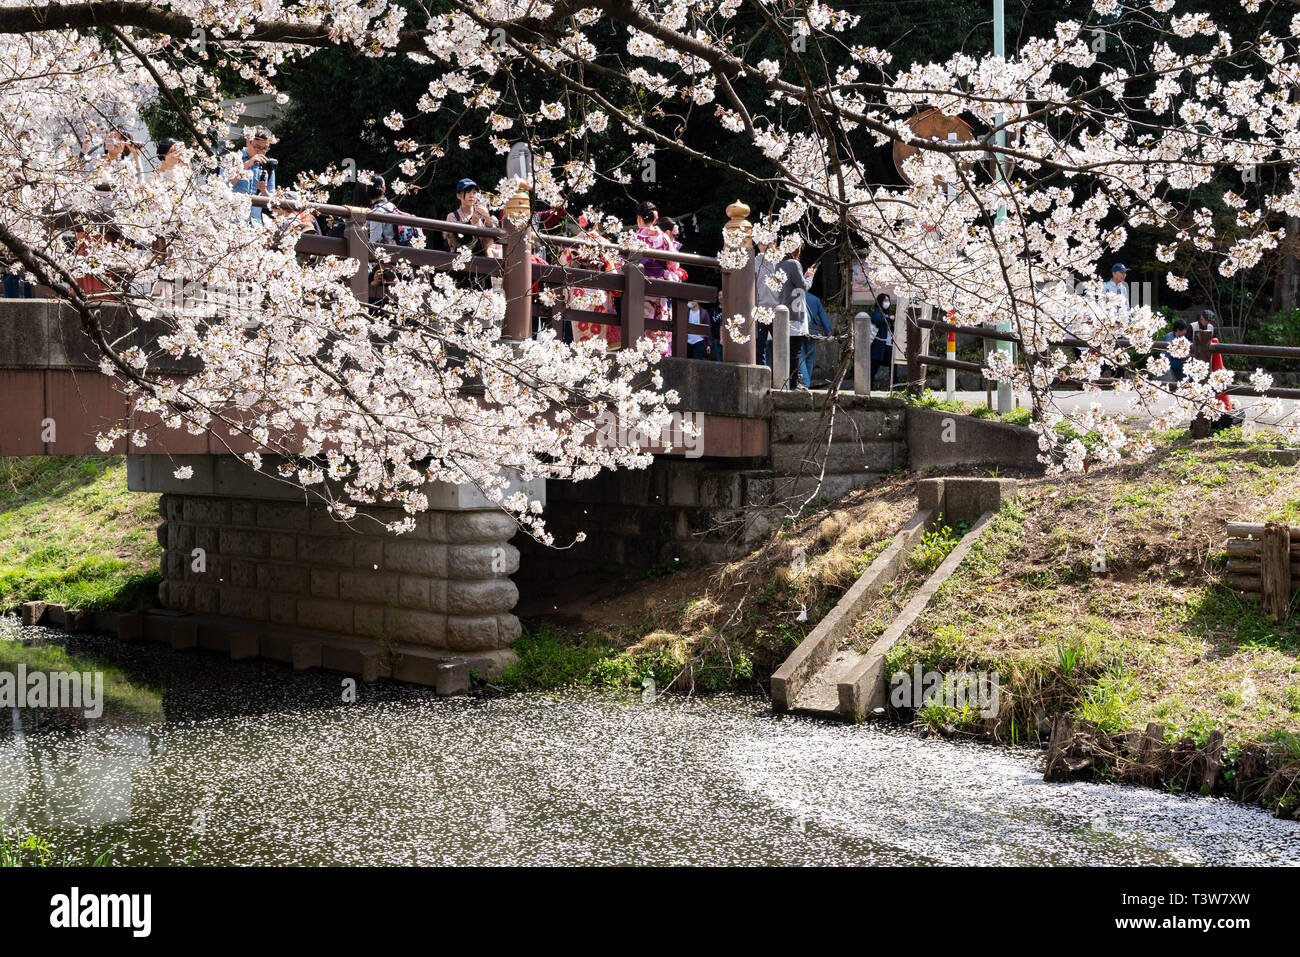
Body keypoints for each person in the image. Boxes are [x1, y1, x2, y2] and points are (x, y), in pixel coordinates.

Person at [634, 200, 674, 355]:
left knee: (639, 323)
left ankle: (638, 353)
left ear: (639, 219)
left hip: (638, 286)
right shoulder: (663, 238)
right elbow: (673, 264)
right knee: (659, 323)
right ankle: (660, 353)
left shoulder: (635, 237)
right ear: (655, 218)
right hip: (659, 287)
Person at [776, 241, 812, 389]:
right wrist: (809, 276)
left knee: (786, 352)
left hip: (784, 312)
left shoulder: (779, 264)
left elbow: (792, 285)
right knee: (795, 351)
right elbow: (803, 287)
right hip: (795, 314)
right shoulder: (794, 264)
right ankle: (792, 384)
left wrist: (802, 276)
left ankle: (786, 381)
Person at [226, 127, 276, 224]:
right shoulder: (232, 159)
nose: (260, 152)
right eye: (257, 147)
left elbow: (273, 201)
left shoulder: (267, 165)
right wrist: (247, 164)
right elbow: (224, 185)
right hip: (231, 222)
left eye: (265, 148)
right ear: (248, 142)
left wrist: (264, 190)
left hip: (256, 223)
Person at [444, 178, 498, 255]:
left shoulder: (481, 214)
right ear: (458, 195)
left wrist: (487, 217)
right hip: (461, 259)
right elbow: (456, 240)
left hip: (483, 259)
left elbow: (494, 237)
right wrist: (472, 222)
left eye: (474, 192)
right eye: (468, 192)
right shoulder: (453, 216)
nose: (472, 195)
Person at [754, 241, 780, 366]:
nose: (764, 246)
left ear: (774, 244)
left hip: (778, 310)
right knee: (759, 348)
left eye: (768, 243)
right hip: (760, 310)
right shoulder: (754, 262)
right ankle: (762, 378)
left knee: (781, 347)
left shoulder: (781, 262)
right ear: (758, 245)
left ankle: (783, 379)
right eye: (761, 243)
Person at [803, 289, 833, 388]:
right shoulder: (815, 299)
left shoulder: (794, 297)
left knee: (800, 357)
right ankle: (806, 383)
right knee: (809, 358)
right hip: (813, 332)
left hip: (799, 331)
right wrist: (829, 332)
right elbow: (823, 316)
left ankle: (804, 382)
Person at [870, 292, 894, 385]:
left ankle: (894, 385)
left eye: (888, 300)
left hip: (888, 344)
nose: (887, 303)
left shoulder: (886, 314)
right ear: (880, 301)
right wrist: (889, 319)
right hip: (879, 345)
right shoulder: (877, 312)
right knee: (874, 367)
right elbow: (877, 321)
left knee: (893, 365)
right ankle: (869, 386)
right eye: (885, 300)